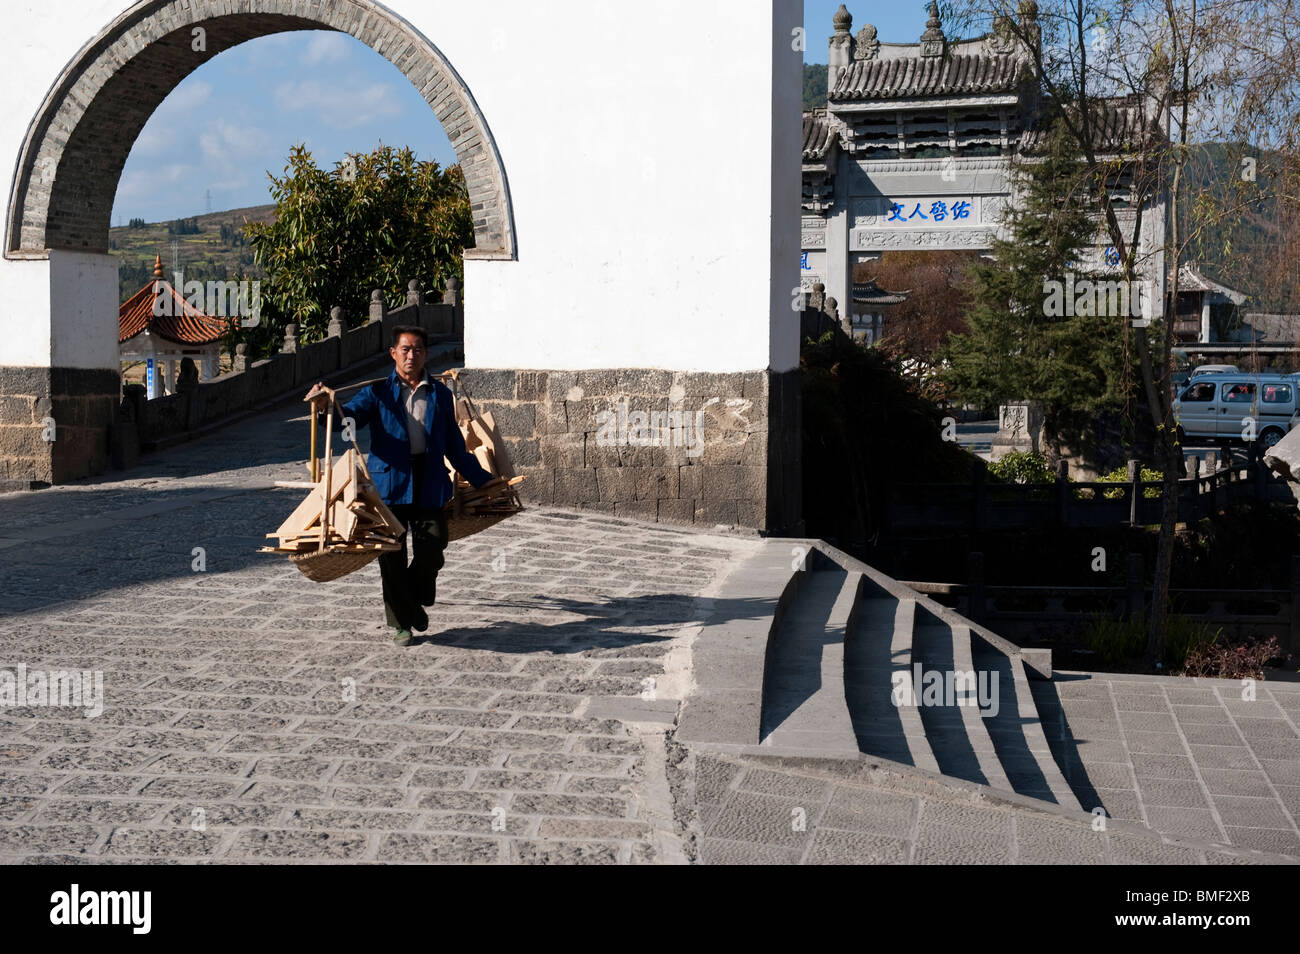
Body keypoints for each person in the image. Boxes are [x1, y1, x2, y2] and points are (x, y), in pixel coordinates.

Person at [306, 325, 495, 646]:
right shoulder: (376, 393)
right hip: (389, 484)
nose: (411, 355)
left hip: (429, 480)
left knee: (433, 548)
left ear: (425, 354)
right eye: (404, 349)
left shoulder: (439, 394)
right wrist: (325, 406)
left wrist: (483, 479)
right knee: (391, 557)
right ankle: (401, 623)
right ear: (393, 353)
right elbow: (346, 420)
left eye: (417, 349)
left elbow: (453, 444)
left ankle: (412, 598)